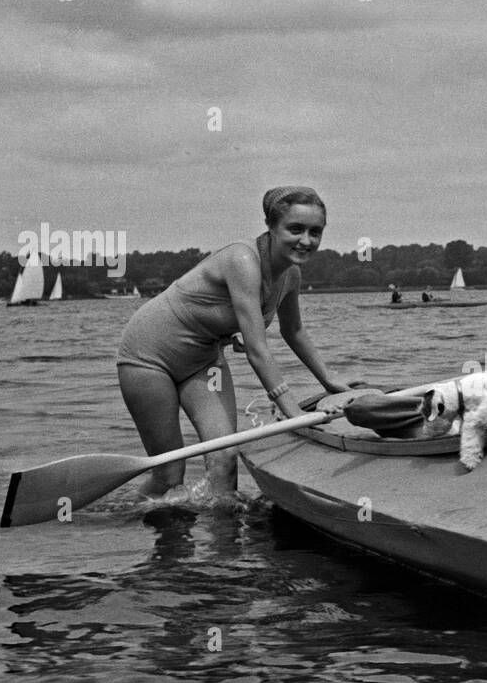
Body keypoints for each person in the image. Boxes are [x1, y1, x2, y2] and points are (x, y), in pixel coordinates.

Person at [116, 186, 353, 500]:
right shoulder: (242, 259)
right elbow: (257, 349)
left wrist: (330, 380)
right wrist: (292, 413)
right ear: (270, 225)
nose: (306, 240)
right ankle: (129, 521)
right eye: (295, 229)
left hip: (202, 362)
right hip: (148, 356)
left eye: (315, 232)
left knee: (225, 461)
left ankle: (225, 544)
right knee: (170, 474)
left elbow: (293, 331)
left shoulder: (290, 276)